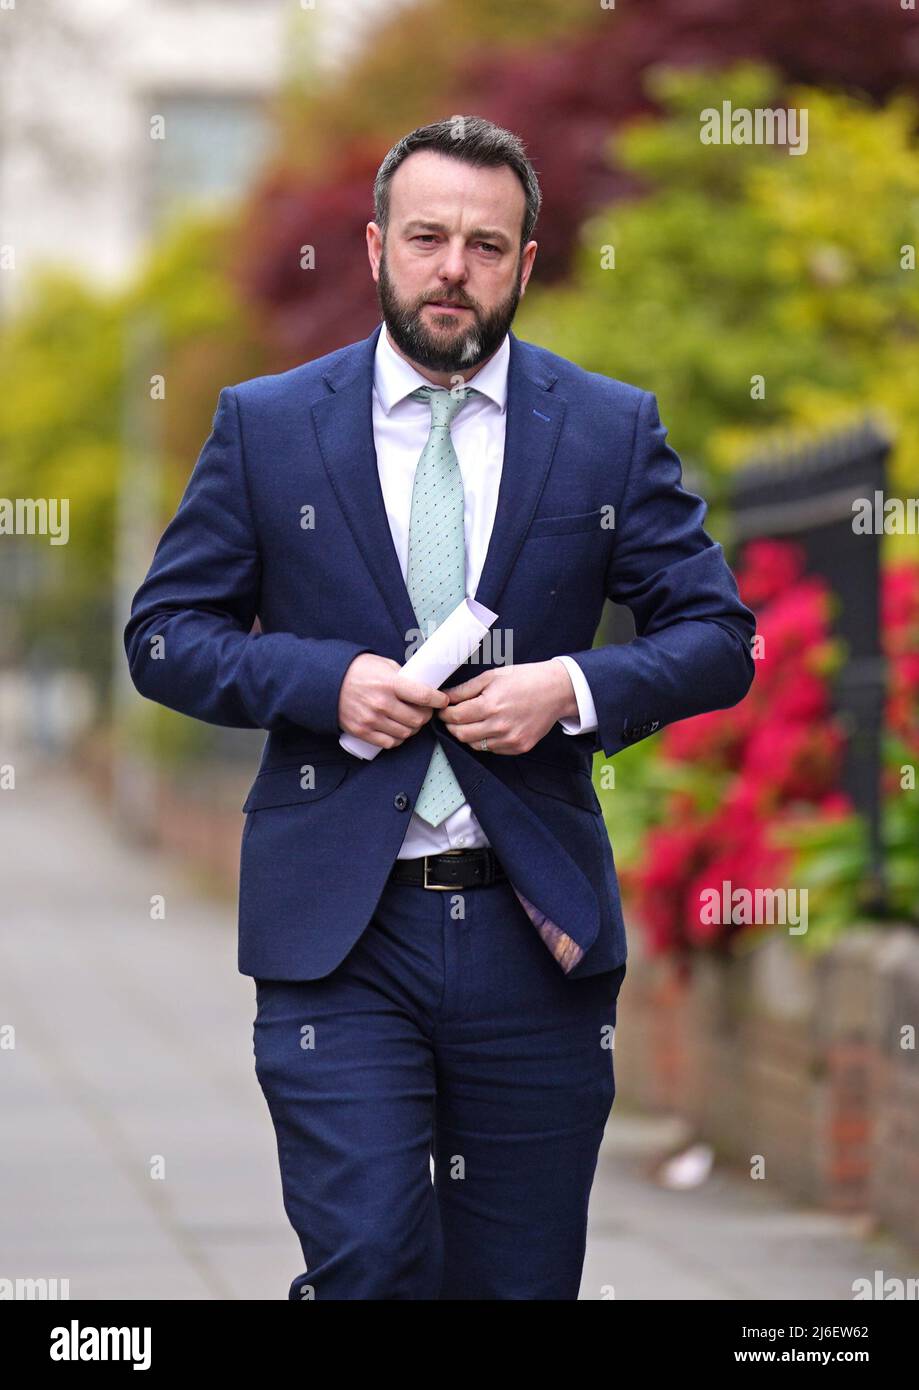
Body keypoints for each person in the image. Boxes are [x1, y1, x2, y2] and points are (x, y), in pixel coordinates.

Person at [124, 115, 756, 1300]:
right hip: (340, 937)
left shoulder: (608, 431)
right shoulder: (268, 428)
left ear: (525, 263)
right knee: (367, 1260)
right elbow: (164, 636)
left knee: (515, 1284)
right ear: (373, 248)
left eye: (482, 242)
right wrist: (325, 682)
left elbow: (719, 637)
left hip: (534, 931)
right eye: (425, 237)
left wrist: (567, 688)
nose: (451, 266)